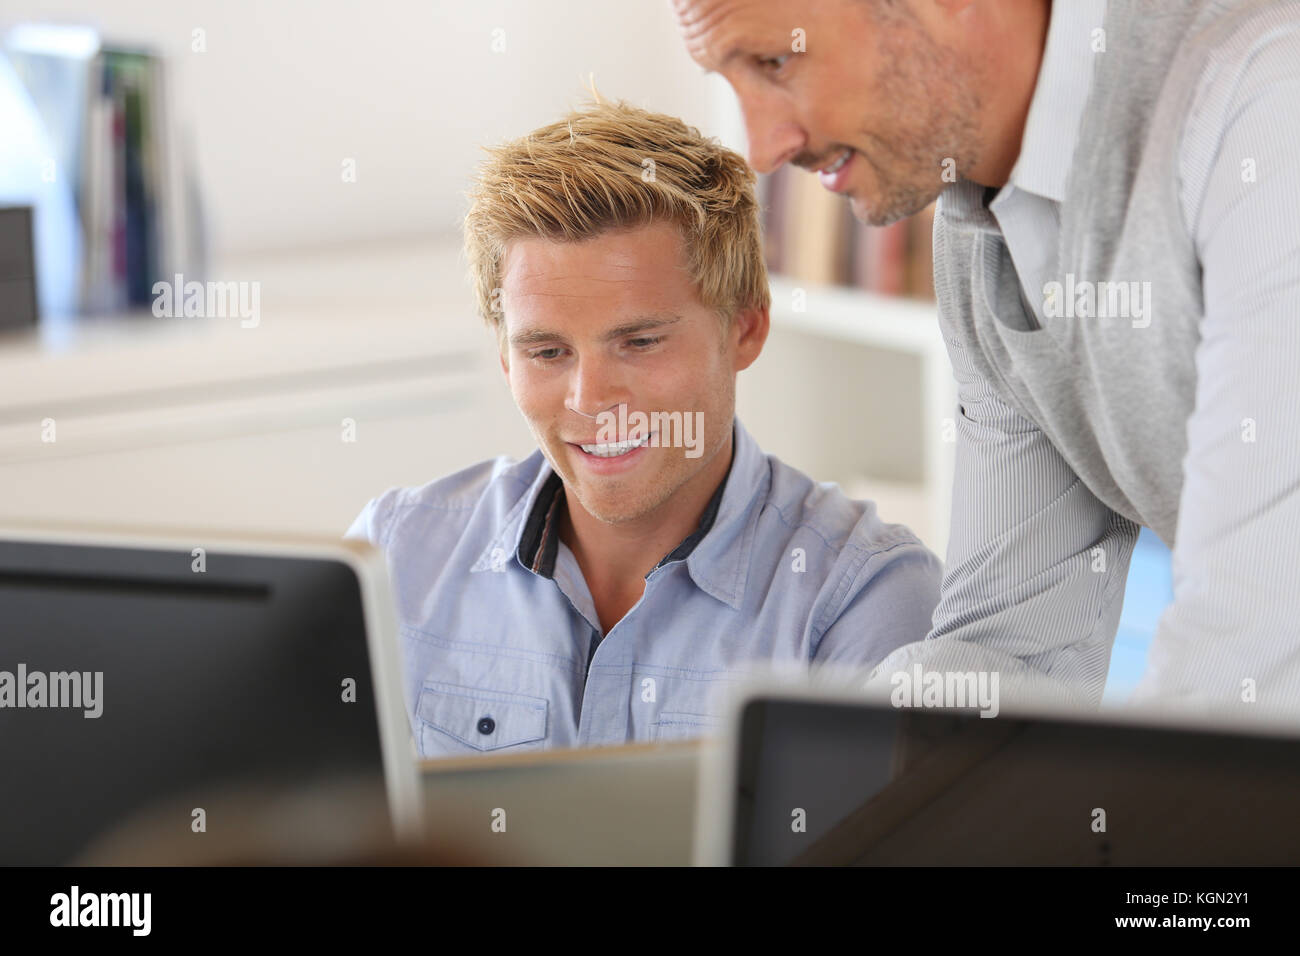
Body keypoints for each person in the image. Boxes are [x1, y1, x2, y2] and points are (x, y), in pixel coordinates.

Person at [673, 0, 1300, 712]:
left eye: (776, 62)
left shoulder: (1265, 104)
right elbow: (1011, 648)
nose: (761, 148)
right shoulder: (978, 225)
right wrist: (835, 766)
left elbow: (1254, 656)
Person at [346, 99, 941, 757]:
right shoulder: (393, 560)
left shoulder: (862, 600)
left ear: (745, 327)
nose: (591, 399)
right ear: (504, 355)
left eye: (640, 342)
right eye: (548, 352)